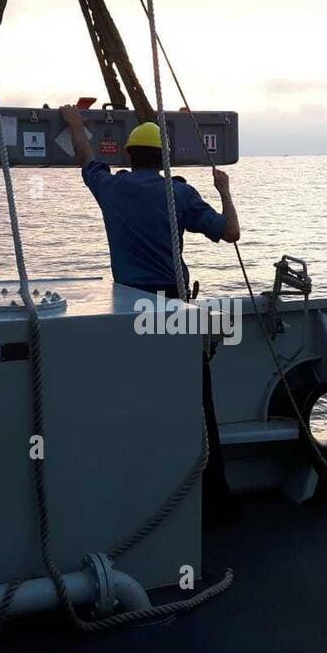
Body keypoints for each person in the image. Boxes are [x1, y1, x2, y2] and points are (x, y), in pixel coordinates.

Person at [60, 105, 241, 520]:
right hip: (171, 311)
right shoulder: (179, 194)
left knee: (131, 405)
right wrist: (225, 191)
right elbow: (230, 233)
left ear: (127, 156)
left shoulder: (112, 188)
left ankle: (134, 502)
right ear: (163, 160)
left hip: (126, 316)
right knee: (198, 410)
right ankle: (215, 504)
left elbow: (86, 156)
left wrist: (73, 122)